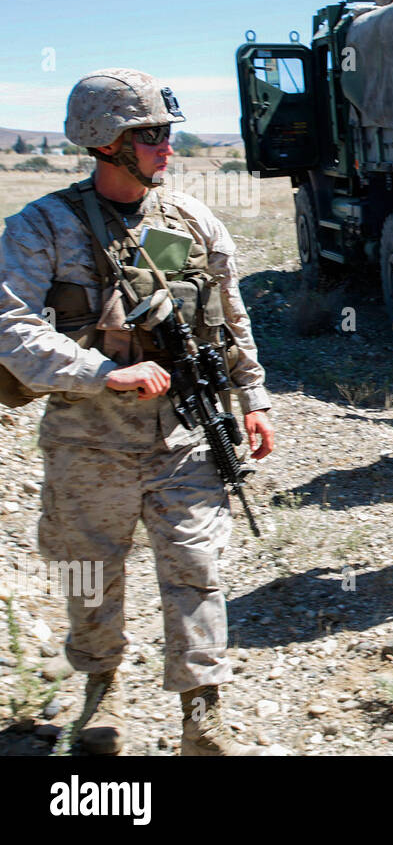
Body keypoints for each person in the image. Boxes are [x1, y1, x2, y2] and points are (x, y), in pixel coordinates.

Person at [0, 69, 275, 755]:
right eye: (150, 135)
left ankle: (200, 710)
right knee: (88, 572)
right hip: (87, 442)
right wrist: (102, 370)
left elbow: (230, 319)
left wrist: (254, 398)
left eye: (168, 134)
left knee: (198, 569)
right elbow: (10, 325)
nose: (167, 149)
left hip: (184, 437)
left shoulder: (191, 219)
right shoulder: (42, 227)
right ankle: (100, 689)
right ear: (104, 143)